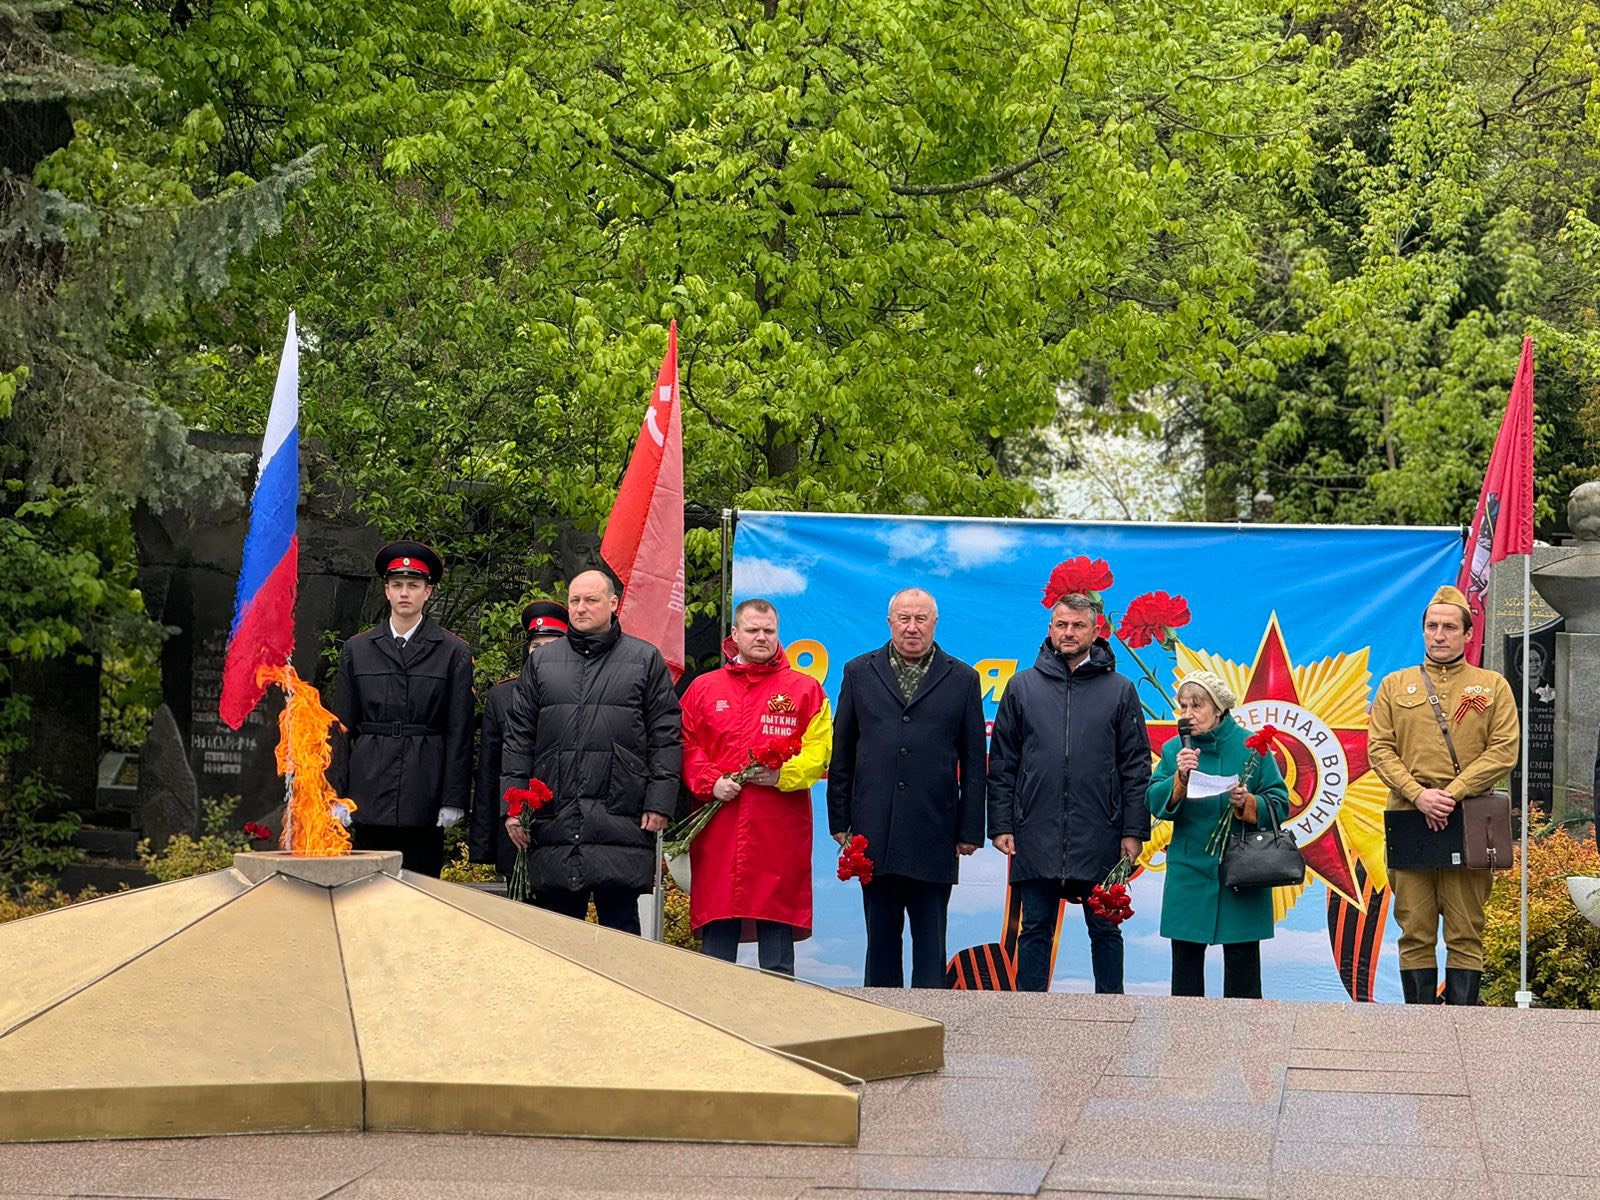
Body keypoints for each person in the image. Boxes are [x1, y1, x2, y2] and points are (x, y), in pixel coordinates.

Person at [497, 569, 681, 934]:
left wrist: (660, 802)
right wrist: (514, 808)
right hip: (555, 813)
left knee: (621, 930)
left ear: (613, 604)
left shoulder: (644, 659)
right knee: (560, 934)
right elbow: (518, 738)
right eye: (575, 600)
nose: (581, 608)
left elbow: (666, 735)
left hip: (622, 813)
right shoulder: (542, 662)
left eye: (591, 600)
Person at [986, 592, 1152, 993]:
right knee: (1034, 930)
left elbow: (1136, 765)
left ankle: (1113, 1013)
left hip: (1102, 835)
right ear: (1049, 630)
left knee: (1106, 932)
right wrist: (1002, 824)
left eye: (1078, 625)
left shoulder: (1121, 689)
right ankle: (1029, 1016)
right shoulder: (1021, 687)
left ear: (1096, 632)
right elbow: (1003, 762)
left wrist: (1133, 831)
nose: (1069, 632)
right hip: (1036, 833)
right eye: (1061, 624)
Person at [826, 587, 986, 988]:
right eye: (904, 618)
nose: (912, 627)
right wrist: (840, 820)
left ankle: (928, 1026)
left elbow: (974, 760)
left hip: (936, 830)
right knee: (880, 940)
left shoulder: (963, 678)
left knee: (931, 942)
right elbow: (841, 752)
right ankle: (881, 1023)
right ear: (889, 622)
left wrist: (969, 830)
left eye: (921, 619)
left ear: (934, 623)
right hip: (873, 829)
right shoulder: (858, 671)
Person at [1368, 584, 1519, 1006]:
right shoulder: (1394, 686)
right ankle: (1421, 1031)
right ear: (1422, 631)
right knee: (1413, 927)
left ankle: (1462, 1030)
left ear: (1468, 634)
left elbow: (1504, 748)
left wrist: (1450, 793)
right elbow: (1379, 748)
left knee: (1466, 928)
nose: (1439, 635)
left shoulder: (1492, 686)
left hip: (1469, 817)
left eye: (1449, 627)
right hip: (1409, 815)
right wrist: (1418, 795)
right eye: (1432, 626)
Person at [679, 599, 832, 975]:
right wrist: (710, 781)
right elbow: (684, 743)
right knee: (719, 935)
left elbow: (820, 752)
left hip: (779, 831)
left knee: (776, 933)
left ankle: (781, 1022)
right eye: (752, 630)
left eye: (769, 631)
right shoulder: (703, 688)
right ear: (735, 634)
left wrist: (783, 776)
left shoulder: (806, 690)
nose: (761, 637)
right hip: (719, 830)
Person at [331, 540, 475, 878]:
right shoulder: (358, 649)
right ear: (386, 591)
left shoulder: (453, 652)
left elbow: (460, 730)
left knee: (420, 892)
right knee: (365, 893)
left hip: (424, 783)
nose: (404, 593)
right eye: (397, 585)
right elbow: (341, 726)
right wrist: (336, 792)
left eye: (413, 585)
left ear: (428, 592)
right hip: (369, 784)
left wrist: (453, 797)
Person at [1147, 672, 1291, 998]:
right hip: (1189, 868)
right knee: (1185, 967)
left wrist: (1249, 803)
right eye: (1183, 706)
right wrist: (1180, 779)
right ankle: (1184, 1041)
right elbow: (1155, 802)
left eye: (1197, 706)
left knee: (1242, 969)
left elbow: (1281, 805)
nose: (1188, 714)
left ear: (1219, 708)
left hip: (1242, 870)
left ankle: (1244, 1045)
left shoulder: (1251, 746)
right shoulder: (1174, 751)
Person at [469, 600, 569, 886]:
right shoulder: (503, 696)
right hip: (515, 822)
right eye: (536, 646)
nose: (541, 654)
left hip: (560, 819)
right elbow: (489, 771)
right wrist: (485, 840)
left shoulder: (578, 693)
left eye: (551, 646)